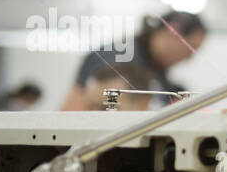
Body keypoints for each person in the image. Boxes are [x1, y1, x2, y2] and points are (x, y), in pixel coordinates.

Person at [60, 11, 206, 111]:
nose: (188, 59)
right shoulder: (117, 57)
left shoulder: (157, 72)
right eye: (190, 49)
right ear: (173, 32)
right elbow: (75, 112)